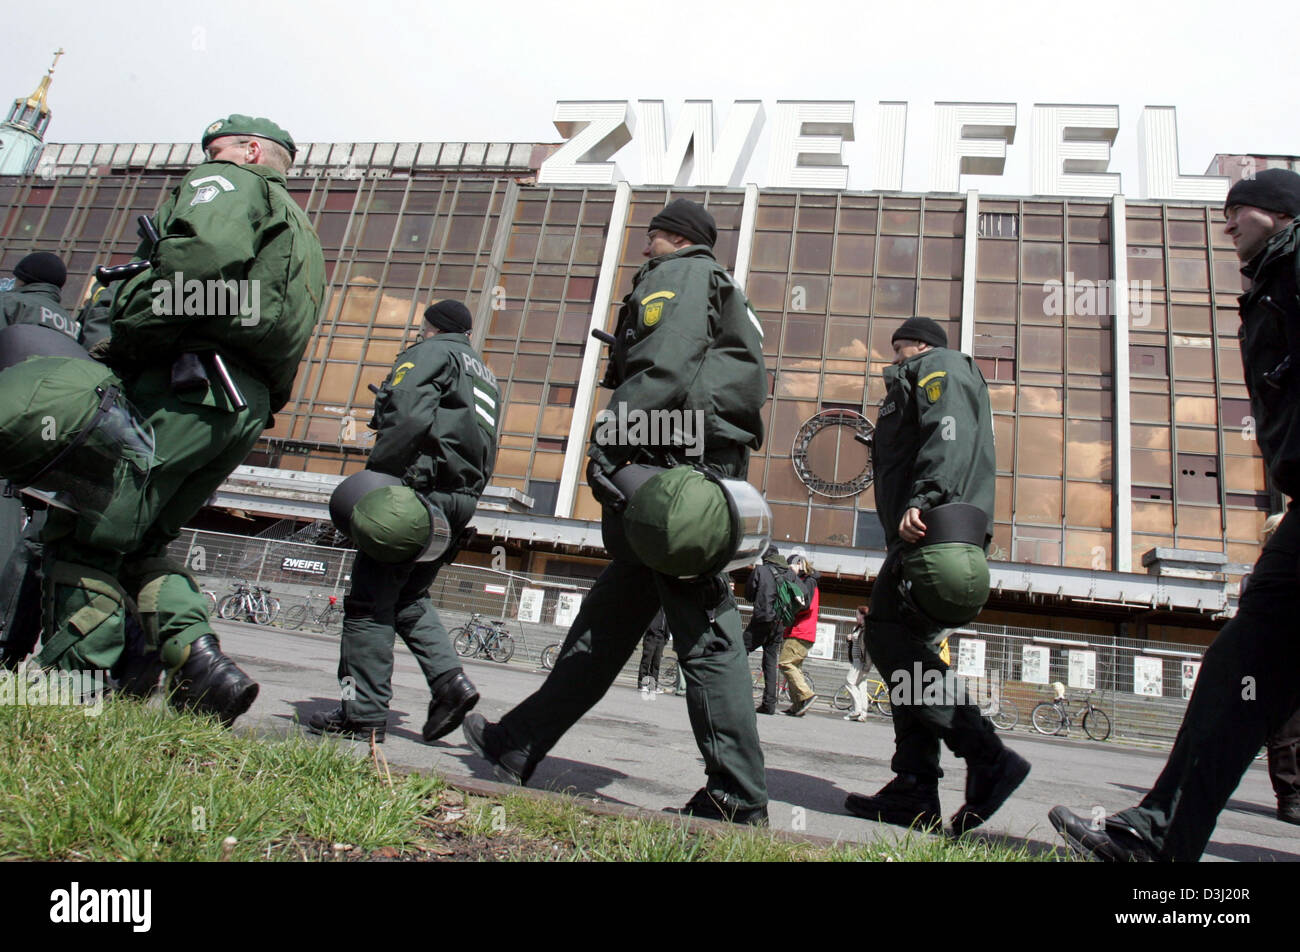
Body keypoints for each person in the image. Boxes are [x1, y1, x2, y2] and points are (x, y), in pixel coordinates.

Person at [461, 198, 771, 825]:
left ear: (675, 237)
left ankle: (737, 795)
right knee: (606, 625)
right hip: (687, 466)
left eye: (651, 235)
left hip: (671, 467)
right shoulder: (719, 285)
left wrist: (610, 433)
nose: (645, 246)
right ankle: (518, 742)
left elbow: (666, 362)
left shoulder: (680, 274)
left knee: (706, 632)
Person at [32, 114, 325, 726]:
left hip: (184, 385)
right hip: (238, 402)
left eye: (215, 150)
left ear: (248, 150)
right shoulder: (301, 228)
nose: (206, 160)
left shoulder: (229, 181)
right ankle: (201, 666)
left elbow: (203, 257)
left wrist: (126, 321)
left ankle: (66, 702)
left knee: (87, 529)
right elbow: (261, 311)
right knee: (143, 542)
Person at [1050, 168, 1300, 860]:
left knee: (1248, 663)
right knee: (1242, 666)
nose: (1226, 223)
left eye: (1237, 210)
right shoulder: (1272, 280)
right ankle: (1158, 838)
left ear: (1279, 212)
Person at [845, 316, 1028, 835]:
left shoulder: (938, 366)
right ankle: (914, 787)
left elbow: (946, 429)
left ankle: (985, 754)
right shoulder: (937, 370)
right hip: (930, 530)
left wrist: (925, 497)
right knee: (903, 644)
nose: (893, 360)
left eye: (897, 350)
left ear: (917, 345)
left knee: (887, 637)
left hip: (929, 527)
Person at [308, 299, 499, 743]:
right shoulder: (484, 374)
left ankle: (362, 714)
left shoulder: (431, 352)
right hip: (458, 500)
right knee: (410, 596)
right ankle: (450, 684)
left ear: (431, 328)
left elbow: (408, 414)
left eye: (422, 328)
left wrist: (381, 476)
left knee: (367, 606)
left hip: (417, 494)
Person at [0, 252, 79, 665]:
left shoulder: (11, 305)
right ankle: (11, 644)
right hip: (50, 443)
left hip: (8, 424)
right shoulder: (72, 326)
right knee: (31, 542)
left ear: (21, 278)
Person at [743, 543, 793, 714]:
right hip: (780, 623)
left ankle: (736, 693)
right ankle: (769, 704)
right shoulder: (789, 572)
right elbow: (803, 597)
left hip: (762, 620)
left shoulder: (761, 571)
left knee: (740, 650)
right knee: (770, 661)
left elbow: (748, 595)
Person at [778, 552, 819, 717]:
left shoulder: (809, 581)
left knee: (785, 663)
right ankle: (798, 705)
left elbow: (805, 605)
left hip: (800, 631)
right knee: (795, 667)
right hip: (801, 631)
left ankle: (806, 695)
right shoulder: (807, 580)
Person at [842, 605, 874, 722]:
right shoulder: (861, 628)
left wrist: (866, 664)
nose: (856, 617)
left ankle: (857, 710)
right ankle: (863, 713)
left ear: (863, 615)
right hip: (861, 661)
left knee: (849, 682)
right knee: (861, 686)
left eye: (857, 614)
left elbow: (867, 648)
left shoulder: (866, 629)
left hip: (860, 661)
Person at [638, 609, 670, 695]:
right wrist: (651, 630)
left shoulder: (666, 609)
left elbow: (667, 623)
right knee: (646, 661)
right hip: (651, 637)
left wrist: (666, 637)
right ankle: (642, 684)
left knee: (656, 664)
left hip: (661, 638)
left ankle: (653, 686)